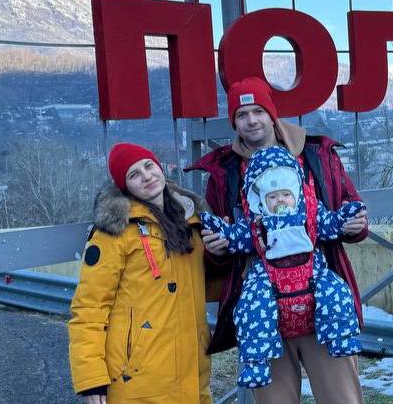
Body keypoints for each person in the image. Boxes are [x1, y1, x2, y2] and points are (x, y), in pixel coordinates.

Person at [187, 76, 368, 404]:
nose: (251, 120)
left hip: (320, 303)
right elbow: (219, 244)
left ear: (272, 114)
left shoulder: (316, 156)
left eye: (258, 111)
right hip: (262, 309)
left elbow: (349, 211)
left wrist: (354, 224)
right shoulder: (224, 173)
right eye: (242, 115)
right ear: (234, 123)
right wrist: (217, 249)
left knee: (341, 398)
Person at [199, 145, 364, 388]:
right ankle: (256, 362)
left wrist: (346, 218)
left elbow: (331, 224)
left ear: (295, 192)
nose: (280, 201)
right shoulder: (255, 223)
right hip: (268, 275)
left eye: (286, 194)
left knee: (336, 291)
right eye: (272, 197)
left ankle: (341, 337)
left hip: (311, 270)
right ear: (261, 200)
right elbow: (235, 238)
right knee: (252, 307)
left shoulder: (310, 213)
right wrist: (220, 233)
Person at [69, 143, 212, 403]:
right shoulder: (114, 232)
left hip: (192, 369)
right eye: (134, 174)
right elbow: (90, 307)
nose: (146, 176)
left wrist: (221, 255)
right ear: (125, 187)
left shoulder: (193, 222)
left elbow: (208, 287)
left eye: (148, 166)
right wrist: (91, 379)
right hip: (137, 377)